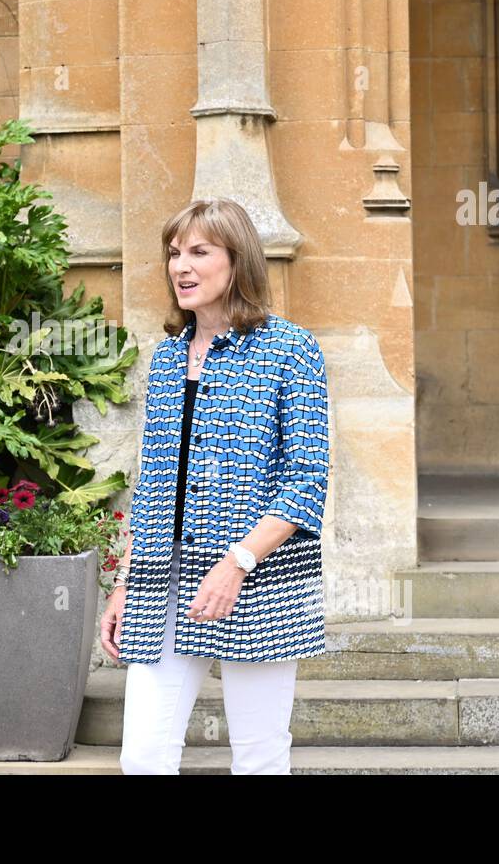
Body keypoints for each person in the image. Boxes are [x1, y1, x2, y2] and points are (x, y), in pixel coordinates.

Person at [99, 197, 331, 774]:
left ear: (237, 261)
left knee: (259, 753)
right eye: (174, 253)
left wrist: (237, 564)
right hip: (164, 578)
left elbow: (305, 485)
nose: (181, 265)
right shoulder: (167, 358)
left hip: (261, 578)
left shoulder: (289, 350)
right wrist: (126, 585)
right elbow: (154, 487)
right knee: (144, 755)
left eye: (199, 251)